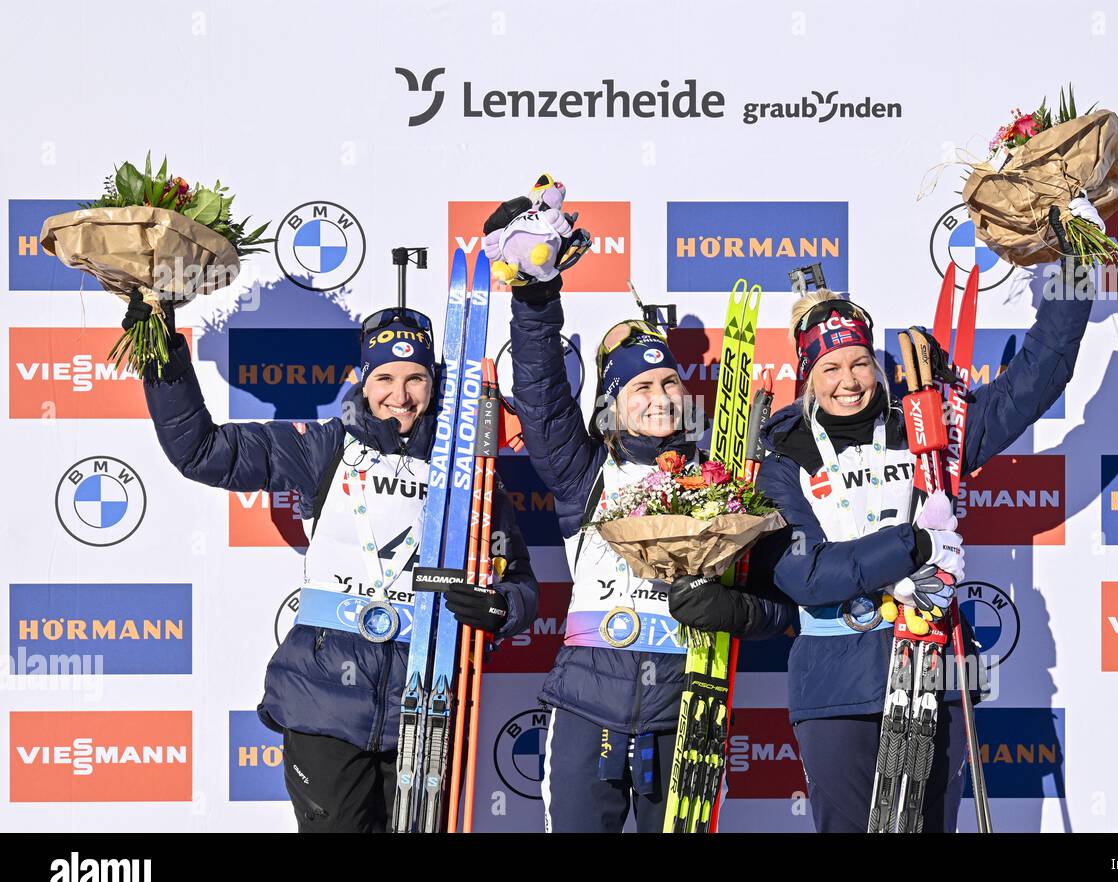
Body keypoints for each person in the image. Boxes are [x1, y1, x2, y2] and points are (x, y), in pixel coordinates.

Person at [749, 201, 1102, 832]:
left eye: (858, 361)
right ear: (808, 378)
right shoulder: (784, 454)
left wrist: (1075, 263)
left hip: (930, 669)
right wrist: (910, 547)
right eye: (829, 367)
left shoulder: (927, 428)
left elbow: (1037, 379)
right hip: (836, 690)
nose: (848, 379)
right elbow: (805, 576)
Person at [132, 292, 539, 833]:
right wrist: (162, 353)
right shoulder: (325, 448)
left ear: (434, 384)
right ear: (363, 383)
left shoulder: (469, 476)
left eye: (415, 378)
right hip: (322, 702)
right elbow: (203, 452)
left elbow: (518, 584)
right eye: (384, 379)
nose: (400, 395)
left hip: (424, 707)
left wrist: (499, 607)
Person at [490, 179, 797, 833]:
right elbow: (540, 393)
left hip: (686, 713)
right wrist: (536, 295)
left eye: (668, 382)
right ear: (611, 400)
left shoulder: (722, 483)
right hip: (584, 712)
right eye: (640, 386)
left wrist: (731, 609)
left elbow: (780, 609)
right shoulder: (585, 474)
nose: (658, 395)